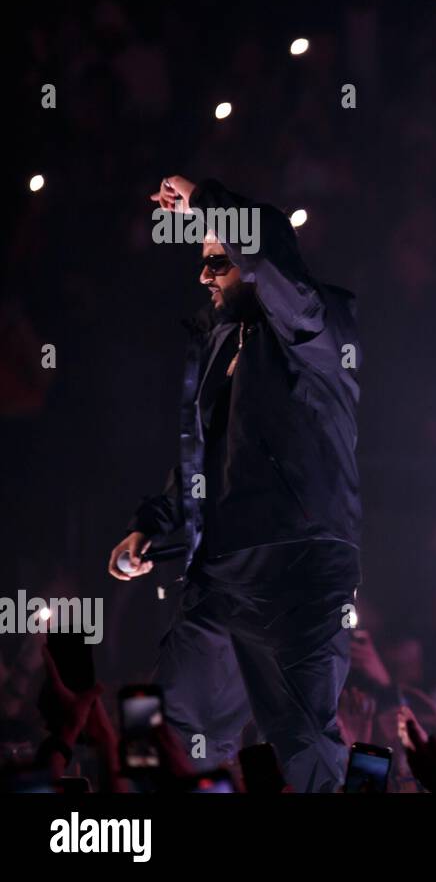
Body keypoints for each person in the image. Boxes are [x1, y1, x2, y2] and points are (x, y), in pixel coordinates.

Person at [106, 175, 362, 792]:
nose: (204, 275)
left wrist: (203, 200)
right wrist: (152, 524)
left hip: (299, 567)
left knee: (301, 742)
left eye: (218, 261)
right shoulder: (220, 343)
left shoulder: (316, 329)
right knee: (155, 726)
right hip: (221, 571)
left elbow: (274, 251)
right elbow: (204, 458)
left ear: (253, 264)